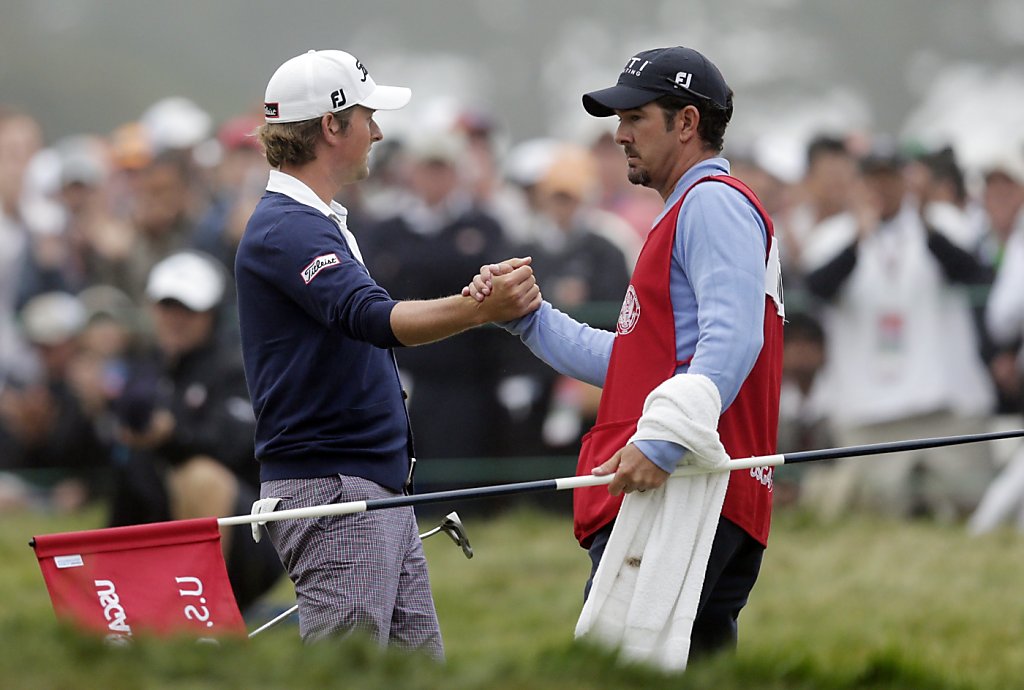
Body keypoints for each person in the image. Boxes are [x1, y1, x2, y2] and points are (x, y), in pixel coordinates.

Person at [466, 45, 784, 659]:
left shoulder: (711, 202)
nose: (620, 136)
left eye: (636, 118)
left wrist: (662, 443)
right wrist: (529, 319)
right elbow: (637, 364)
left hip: (687, 484)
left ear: (686, 123)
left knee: (619, 668)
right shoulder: (689, 209)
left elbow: (734, 339)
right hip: (694, 483)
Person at [234, 49, 540, 657]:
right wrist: (480, 308)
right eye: (368, 117)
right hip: (334, 491)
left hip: (364, 488)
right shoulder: (289, 227)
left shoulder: (313, 220)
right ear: (331, 125)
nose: (377, 132)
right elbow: (374, 318)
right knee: (348, 675)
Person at [107, 250, 283, 612]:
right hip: (158, 520)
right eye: (167, 307)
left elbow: (238, 443)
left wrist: (173, 436)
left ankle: (206, 611)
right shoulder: (148, 367)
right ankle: (126, 596)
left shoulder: (238, 365)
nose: (175, 319)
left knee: (200, 476)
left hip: (249, 534)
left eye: (188, 309)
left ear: (212, 313)